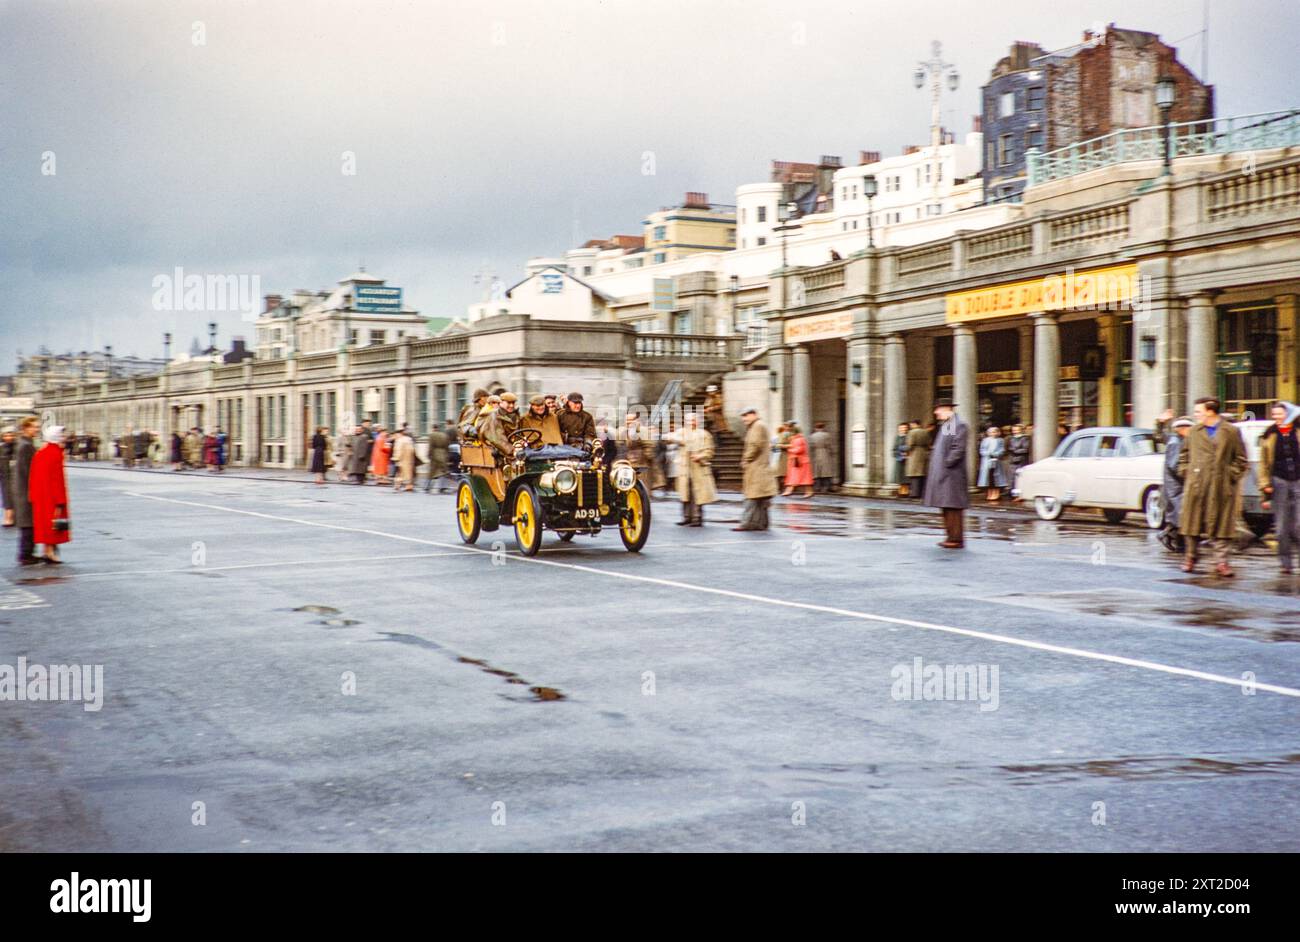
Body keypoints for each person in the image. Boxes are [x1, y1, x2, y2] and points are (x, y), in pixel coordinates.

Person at [1178, 396, 1247, 576]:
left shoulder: (1230, 431)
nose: (1195, 415)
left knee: (1222, 524)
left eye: (1198, 412)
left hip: (1221, 486)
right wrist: (1188, 472)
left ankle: (1221, 562)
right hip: (1197, 485)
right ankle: (1190, 557)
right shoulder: (1194, 432)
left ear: (1210, 411)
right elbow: (1184, 456)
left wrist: (1230, 475)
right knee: (1192, 523)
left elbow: (1241, 459)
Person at [1258, 400, 1300, 574]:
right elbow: (1263, 464)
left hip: (1298, 480)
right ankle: (1286, 563)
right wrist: (1265, 487)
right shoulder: (1269, 435)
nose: (1277, 417)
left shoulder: (1297, 432)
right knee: (1281, 527)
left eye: (1280, 414)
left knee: (1298, 525)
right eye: (1274, 415)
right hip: (1279, 481)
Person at [923, 398, 970, 550]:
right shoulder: (948, 425)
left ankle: (956, 539)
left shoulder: (958, 425)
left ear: (946, 408)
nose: (936, 412)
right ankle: (951, 536)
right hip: (945, 473)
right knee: (946, 506)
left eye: (938, 409)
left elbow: (958, 448)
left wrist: (947, 463)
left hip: (951, 474)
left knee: (952, 507)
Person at [29, 425, 70, 565]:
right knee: (53, 525)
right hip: (51, 496)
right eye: (62, 435)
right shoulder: (55, 453)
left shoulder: (41, 453)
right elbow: (56, 480)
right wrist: (60, 500)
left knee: (47, 524)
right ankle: (50, 552)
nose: (64, 437)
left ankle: (48, 550)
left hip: (42, 496)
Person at [735, 408, 778, 531]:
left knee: (751, 498)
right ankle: (761, 524)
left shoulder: (757, 426)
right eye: (743, 416)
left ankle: (747, 523)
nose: (744, 419)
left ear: (754, 414)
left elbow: (755, 445)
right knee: (761, 499)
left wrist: (746, 459)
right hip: (760, 467)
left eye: (746, 415)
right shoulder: (758, 426)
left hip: (757, 467)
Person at [1159, 416, 1194, 554]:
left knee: (1180, 515)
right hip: (1176, 485)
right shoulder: (1175, 443)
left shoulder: (1180, 440)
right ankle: (1175, 541)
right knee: (1181, 514)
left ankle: (1175, 541)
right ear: (1182, 429)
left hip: (1177, 484)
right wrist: (1189, 475)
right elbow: (1175, 466)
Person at [673, 414, 716, 526]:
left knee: (697, 494)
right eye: (687, 420)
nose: (690, 423)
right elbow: (670, 438)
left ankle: (697, 518)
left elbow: (709, 451)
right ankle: (687, 517)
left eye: (692, 420)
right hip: (684, 469)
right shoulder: (681, 432)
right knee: (685, 494)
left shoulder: (704, 434)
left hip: (698, 468)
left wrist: (700, 456)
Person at [13, 416, 41, 565]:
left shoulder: (25, 443)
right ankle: (25, 555)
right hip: (26, 491)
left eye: (37, 427)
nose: (37, 429)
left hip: (24, 490)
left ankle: (28, 553)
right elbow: (28, 471)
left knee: (29, 523)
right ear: (26, 428)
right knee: (28, 523)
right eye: (34, 427)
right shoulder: (25, 446)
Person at [478, 392, 521, 459]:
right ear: (501, 403)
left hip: (516, 448)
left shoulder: (515, 415)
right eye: (509, 403)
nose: (511, 406)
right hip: (499, 451)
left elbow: (519, 431)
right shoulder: (494, 416)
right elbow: (496, 438)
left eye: (513, 403)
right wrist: (512, 450)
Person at [781, 421, 814, 498]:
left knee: (804, 477)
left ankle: (808, 491)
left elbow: (799, 450)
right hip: (797, 461)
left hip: (800, 461)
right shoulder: (797, 439)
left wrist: (789, 449)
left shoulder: (799, 439)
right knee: (794, 476)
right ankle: (789, 490)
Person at [978, 425, 1007, 502]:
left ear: (997, 432)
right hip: (987, 461)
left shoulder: (1000, 440)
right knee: (989, 478)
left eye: (994, 432)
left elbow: (1002, 450)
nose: (992, 433)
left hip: (996, 461)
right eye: (991, 432)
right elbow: (982, 450)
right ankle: (989, 493)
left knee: (996, 478)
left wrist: (996, 454)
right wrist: (987, 453)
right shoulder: (985, 440)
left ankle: (996, 493)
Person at [905, 420, 931, 500]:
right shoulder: (925, 432)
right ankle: (922, 493)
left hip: (914, 454)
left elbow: (910, 444)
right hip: (923, 453)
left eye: (912, 424)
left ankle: (914, 494)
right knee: (922, 474)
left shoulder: (912, 432)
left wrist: (907, 451)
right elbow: (929, 443)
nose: (911, 426)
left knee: (914, 475)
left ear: (915, 424)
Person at [425, 423, 451, 493]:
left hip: (435, 454)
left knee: (432, 472)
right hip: (443, 454)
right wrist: (447, 455)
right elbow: (447, 446)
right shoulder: (445, 435)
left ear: (433, 428)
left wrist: (429, 454)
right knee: (443, 471)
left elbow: (430, 446)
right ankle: (443, 487)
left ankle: (428, 486)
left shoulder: (432, 435)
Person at [809, 422, 834, 494]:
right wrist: (831, 452)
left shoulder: (812, 436)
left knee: (817, 471)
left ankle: (817, 487)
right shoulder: (826, 435)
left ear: (816, 428)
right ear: (823, 427)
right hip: (825, 452)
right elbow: (829, 445)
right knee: (826, 471)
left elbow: (811, 446)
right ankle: (826, 487)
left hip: (816, 453)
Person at [0, 427, 15, 527]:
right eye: (6, 435)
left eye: (10, 435)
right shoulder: (1, 448)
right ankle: (8, 518)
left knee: (13, 497)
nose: (8, 437)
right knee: (7, 498)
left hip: (15, 476)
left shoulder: (17, 447)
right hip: (5, 476)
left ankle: (11, 518)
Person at [893, 422, 910, 495]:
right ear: (898, 429)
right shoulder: (897, 438)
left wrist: (906, 453)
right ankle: (901, 491)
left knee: (906, 477)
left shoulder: (909, 437)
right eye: (901, 428)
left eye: (905, 428)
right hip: (899, 460)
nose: (903, 429)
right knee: (900, 476)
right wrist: (898, 454)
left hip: (907, 461)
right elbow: (894, 449)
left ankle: (906, 491)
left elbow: (910, 446)